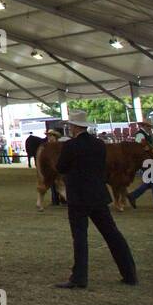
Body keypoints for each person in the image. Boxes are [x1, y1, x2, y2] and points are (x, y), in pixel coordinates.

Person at [53, 111, 137, 289]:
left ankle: (79, 277)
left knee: (80, 238)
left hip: (78, 198)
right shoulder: (99, 144)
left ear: (75, 127)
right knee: (112, 235)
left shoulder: (70, 146)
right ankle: (129, 273)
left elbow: (60, 167)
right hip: (98, 195)